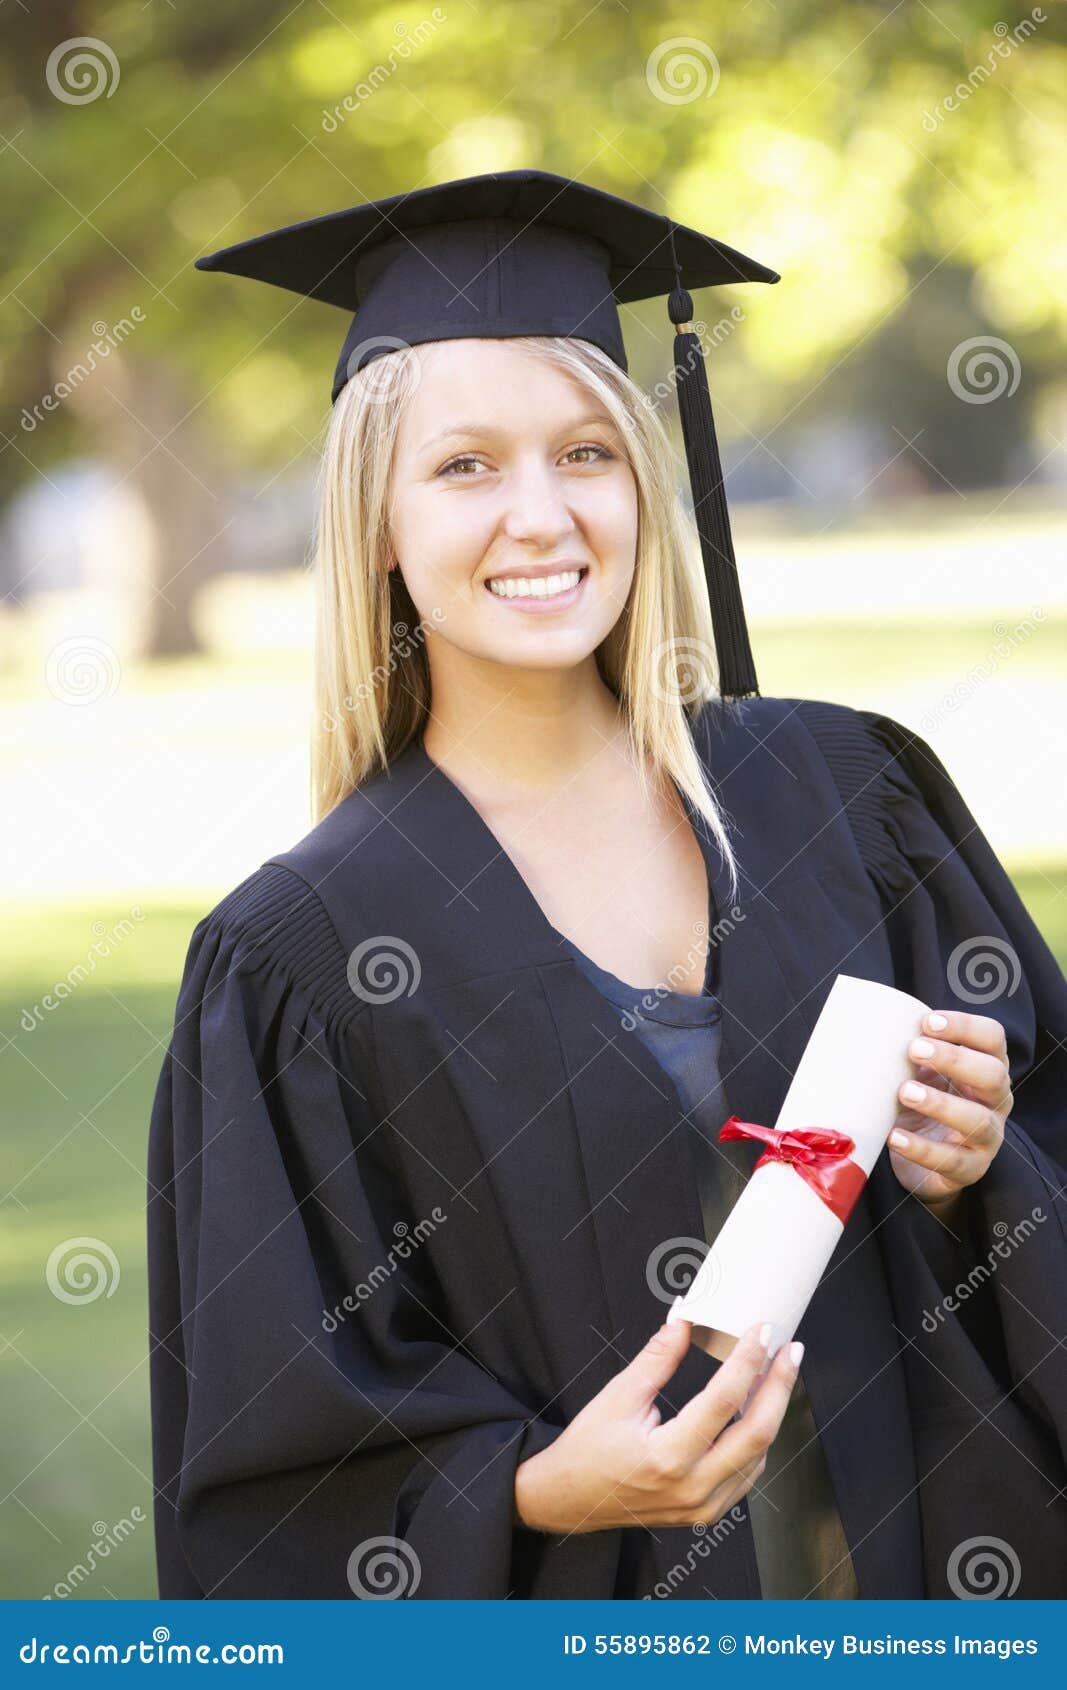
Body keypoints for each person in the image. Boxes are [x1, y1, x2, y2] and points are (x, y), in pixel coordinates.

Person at [147, 170, 1067, 1601]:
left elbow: (1046, 1157)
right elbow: (269, 1471)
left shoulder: (845, 795)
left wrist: (973, 1178)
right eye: (466, 466)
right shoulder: (303, 959)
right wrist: (532, 1490)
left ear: (646, 470)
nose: (542, 515)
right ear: (375, 523)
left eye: (586, 451)